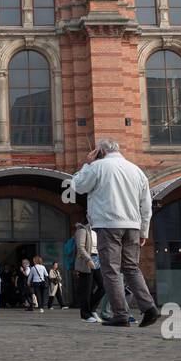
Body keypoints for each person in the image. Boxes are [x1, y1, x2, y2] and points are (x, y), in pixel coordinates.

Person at [68, 137, 158, 328]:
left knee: (111, 271)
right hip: (133, 226)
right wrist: (144, 230)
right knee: (132, 268)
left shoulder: (98, 167)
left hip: (109, 224)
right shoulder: (136, 170)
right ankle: (149, 307)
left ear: (100, 152)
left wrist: (87, 164)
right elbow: (146, 204)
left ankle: (120, 315)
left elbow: (78, 185)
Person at [72, 220, 102, 323]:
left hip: (98, 258)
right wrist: (88, 259)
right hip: (87, 260)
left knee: (103, 286)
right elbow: (80, 247)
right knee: (87, 289)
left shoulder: (98, 230)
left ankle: (91, 309)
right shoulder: (82, 229)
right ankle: (85, 314)